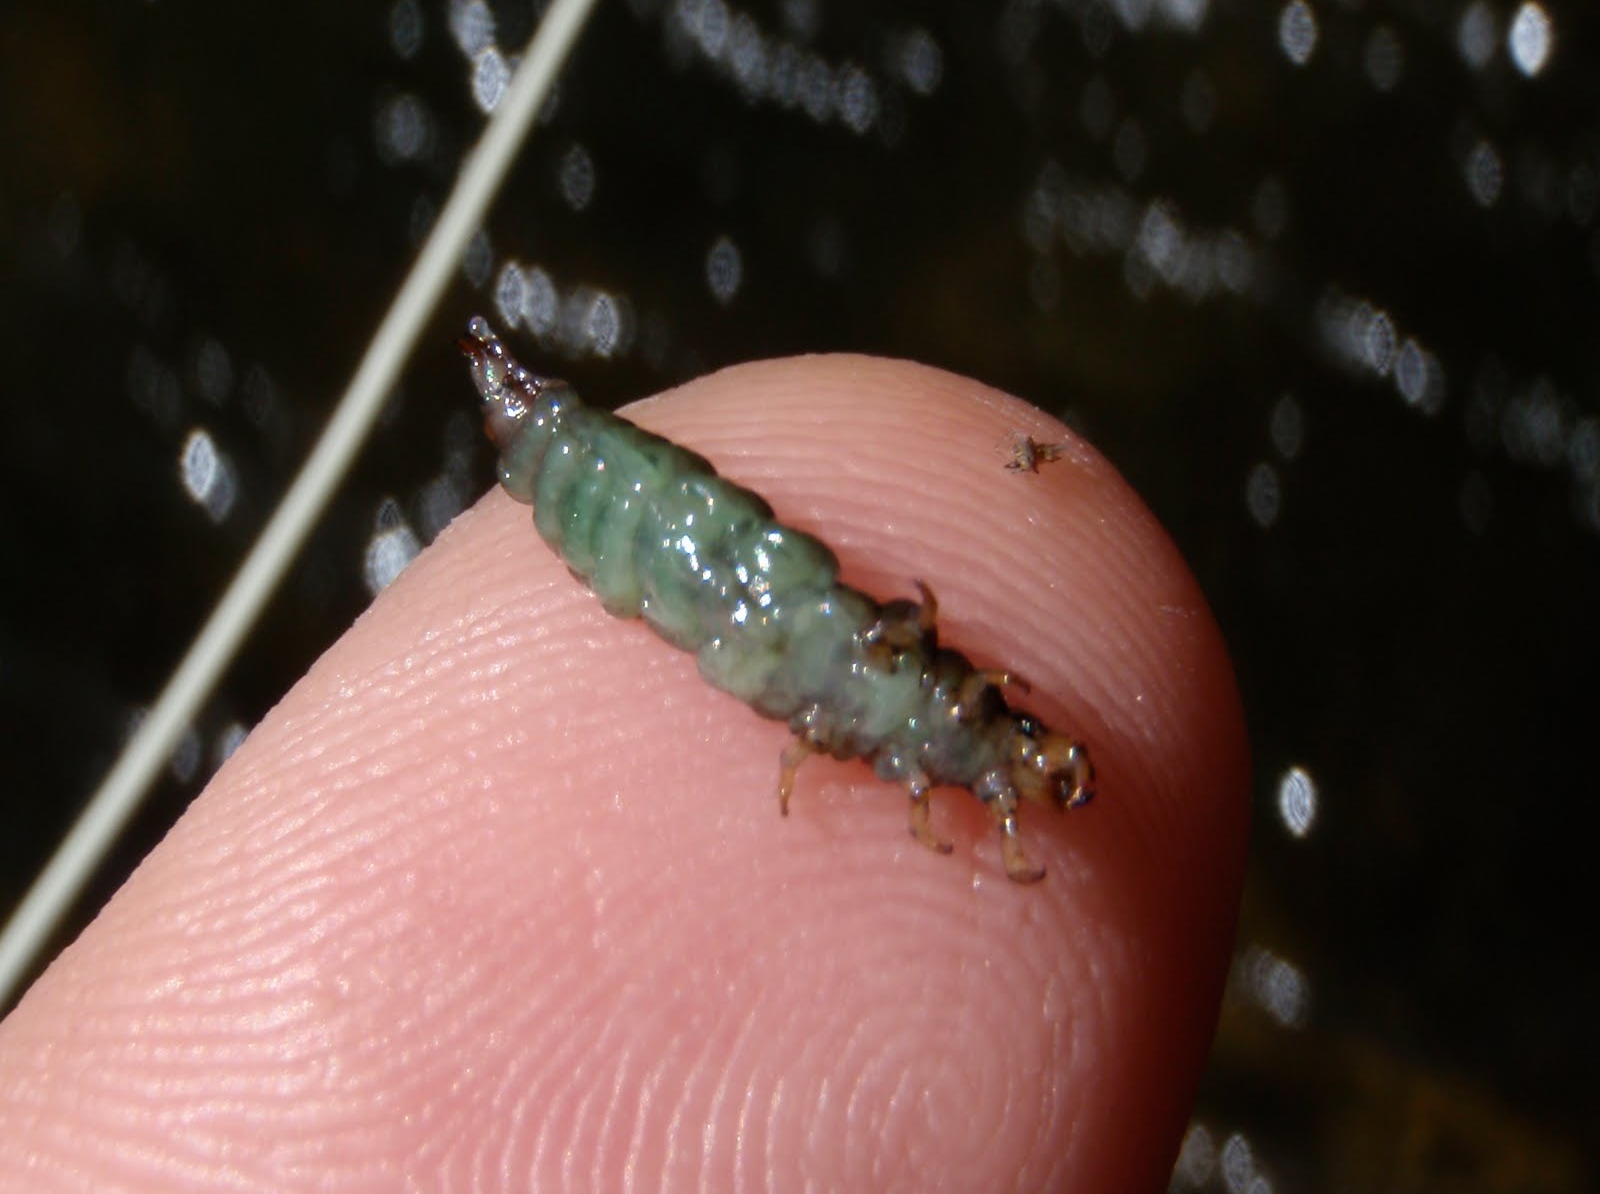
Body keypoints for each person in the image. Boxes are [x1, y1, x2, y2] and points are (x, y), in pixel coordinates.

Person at [0, 355, 1249, 1190]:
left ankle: (540, 427)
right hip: (667, 533)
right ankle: (538, 425)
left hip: (734, 586)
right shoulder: (915, 716)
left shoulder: (924, 725)